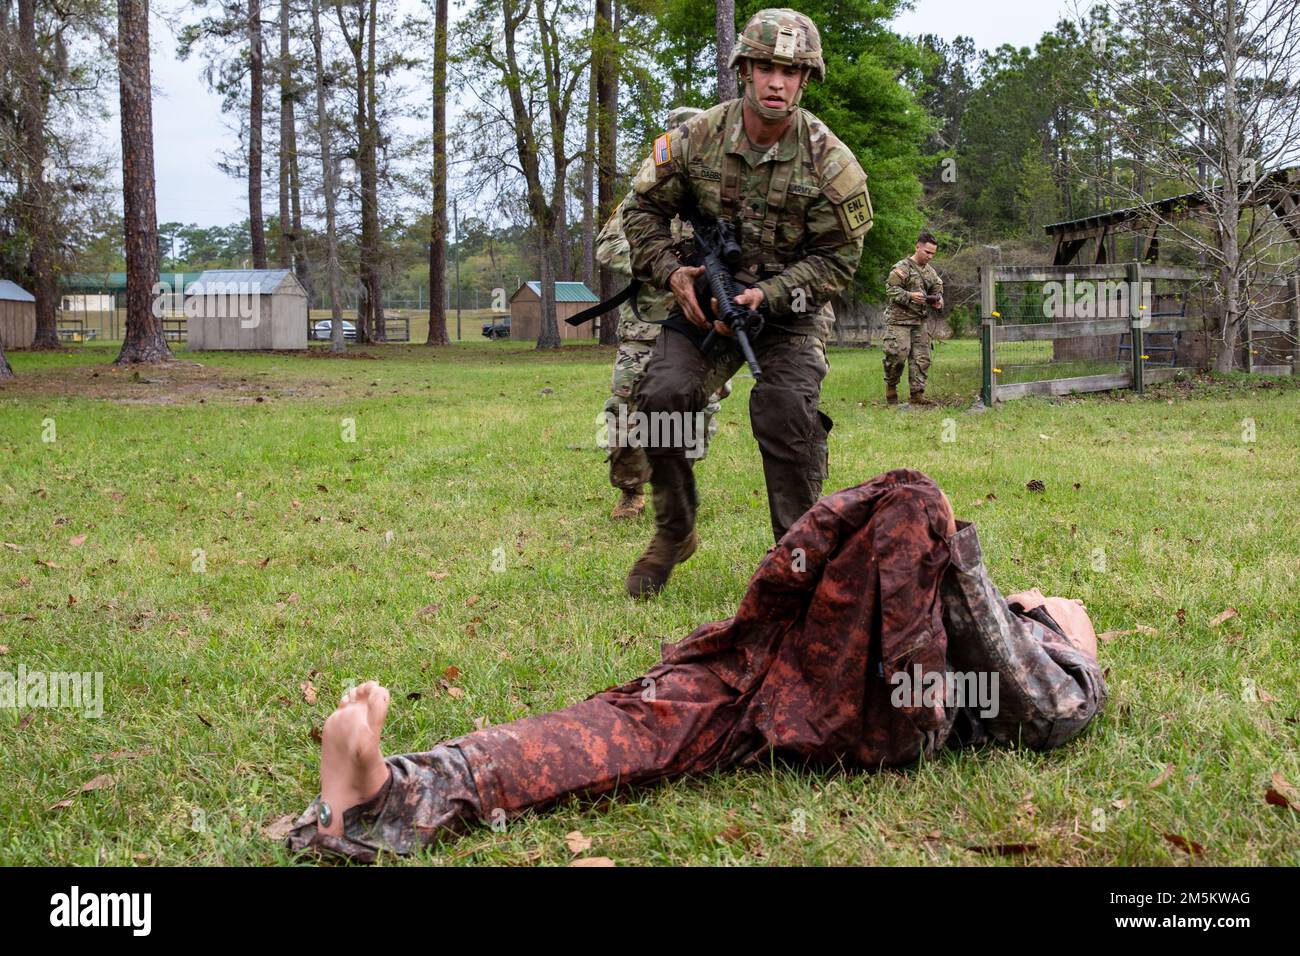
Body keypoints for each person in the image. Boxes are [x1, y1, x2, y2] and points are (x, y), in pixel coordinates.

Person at [285, 469, 1107, 863]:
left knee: (914, 499)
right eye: (1057, 607)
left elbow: (1039, 710)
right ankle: (390, 794)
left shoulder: (1058, 669)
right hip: (769, 669)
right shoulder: (1020, 621)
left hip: (884, 700)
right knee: (623, 728)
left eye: (1065, 610)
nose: (1056, 602)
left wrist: (996, 588)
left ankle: (391, 797)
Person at [618, 8, 871, 598]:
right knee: (661, 397)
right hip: (706, 301)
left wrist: (772, 294)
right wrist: (673, 273)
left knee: (784, 412)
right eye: (766, 68)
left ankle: (796, 555)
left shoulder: (831, 163)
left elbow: (839, 260)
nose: (777, 82)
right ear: (745, 70)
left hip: (789, 312)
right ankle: (675, 530)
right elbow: (640, 213)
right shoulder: (695, 138)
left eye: (791, 71)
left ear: (806, 80)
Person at [597, 105, 732, 521]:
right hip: (646, 325)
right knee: (627, 410)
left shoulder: (718, 199)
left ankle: (676, 485)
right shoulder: (644, 193)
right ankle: (631, 490)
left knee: (696, 411)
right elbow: (607, 246)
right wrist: (661, 264)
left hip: (697, 328)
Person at [882, 231, 944, 407]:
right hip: (899, 321)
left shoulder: (930, 271)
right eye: (927, 252)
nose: (930, 256)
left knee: (922, 358)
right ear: (917, 247)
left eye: (933, 253)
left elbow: (937, 289)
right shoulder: (902, 268)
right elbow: (891, 290)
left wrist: (938, 300)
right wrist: (910, 296)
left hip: (919, 321)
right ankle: (891, 389)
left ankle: (917, 394)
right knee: (897, 355)